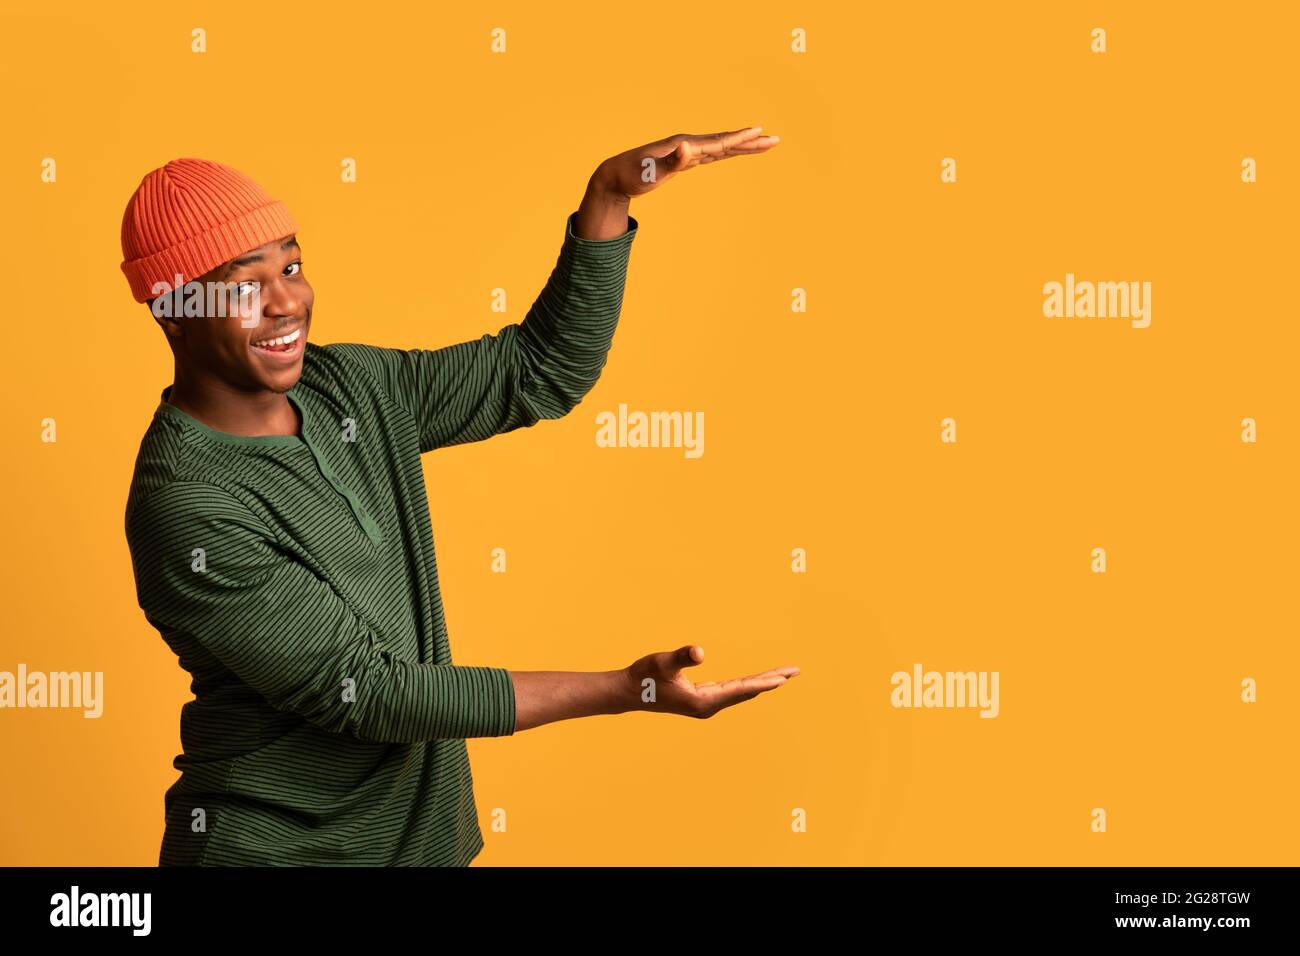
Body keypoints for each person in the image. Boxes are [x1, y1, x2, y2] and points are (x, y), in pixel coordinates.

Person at [121, 128, 797, 866]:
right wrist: (623, 689)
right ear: (173, 309)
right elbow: (369, 693)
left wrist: (607, 196)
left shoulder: (353, 388)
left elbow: (537, 372)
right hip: (272, 851)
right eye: (246, 285)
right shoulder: (187, 501)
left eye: (293, 265)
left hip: (420, 845)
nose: (287, 302)